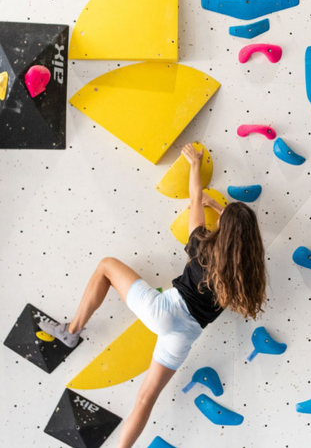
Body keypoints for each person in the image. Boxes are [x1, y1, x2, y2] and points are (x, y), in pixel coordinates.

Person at [38, 143, 268, 448]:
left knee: (106, 266)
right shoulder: (246, 280)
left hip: (163, 311)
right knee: (145, 398)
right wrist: (218, 208)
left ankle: (71, 331)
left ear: (224, 228)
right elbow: (236, 232)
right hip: (183, 338)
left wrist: (196, 166)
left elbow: (194, 199)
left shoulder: (202, 247)